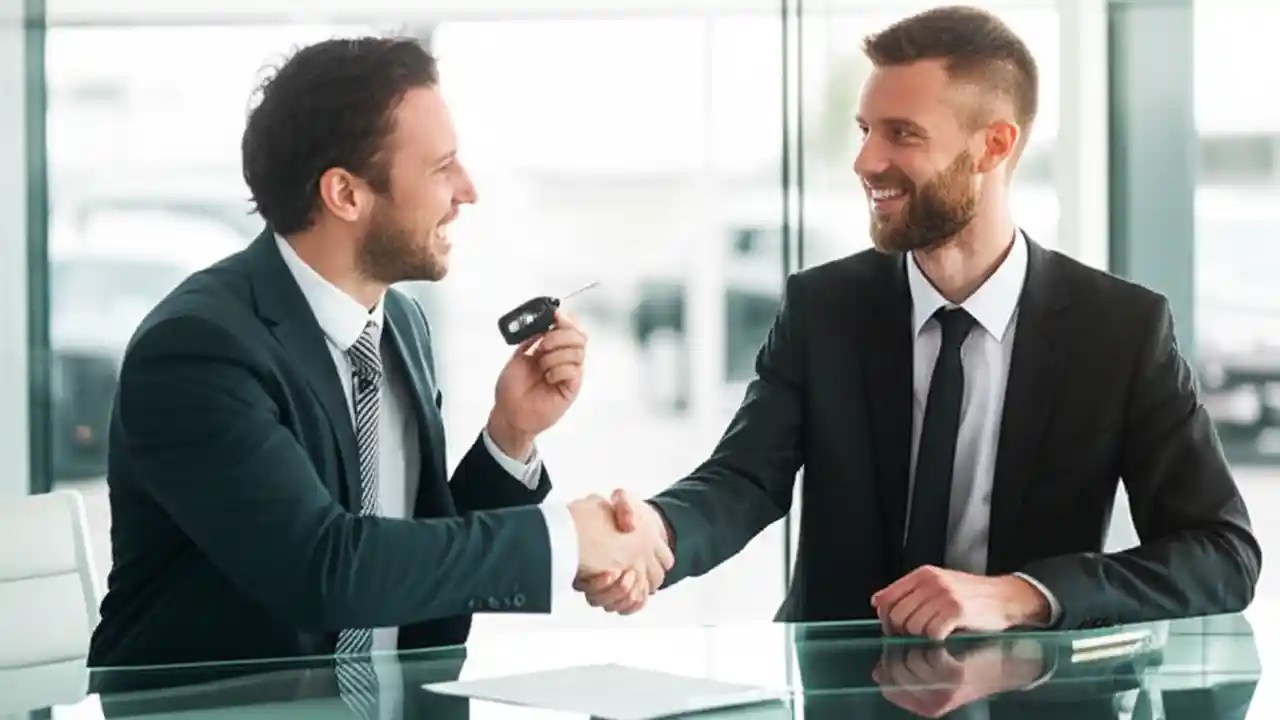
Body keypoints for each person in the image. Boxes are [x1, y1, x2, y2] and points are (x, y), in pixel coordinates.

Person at [577, 5, 1260, 638]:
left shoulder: (1120, 331)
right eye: (866, 130)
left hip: (1033, 701)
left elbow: (1221, 553)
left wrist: (1020, 595)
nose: (867, 161)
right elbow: (744, 479)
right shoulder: (824, 307)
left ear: (993, 145)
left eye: (902, 134)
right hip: (840, 692)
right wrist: (655, 534)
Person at [87, 36, 671, 670]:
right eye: (441, 167)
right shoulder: (197, 352)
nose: (468, 190)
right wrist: (562, 539)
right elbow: (323, 570)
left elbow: (421, 566)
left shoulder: (401, 327)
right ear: (346, 194)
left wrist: (511, 435)